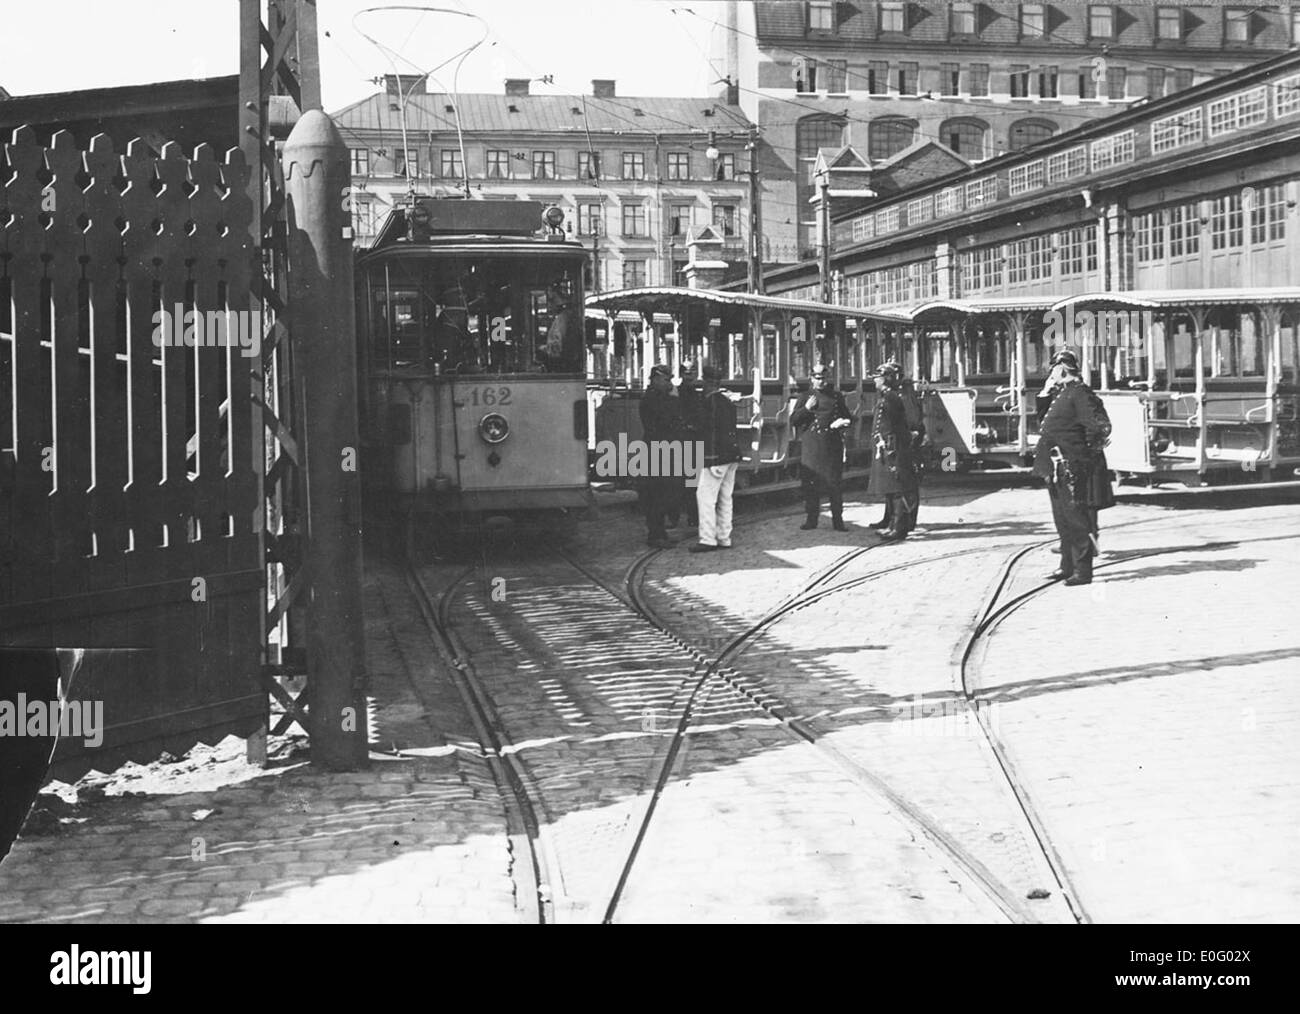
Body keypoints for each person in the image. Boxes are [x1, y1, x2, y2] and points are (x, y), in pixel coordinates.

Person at [1033, 349, 1114, 585]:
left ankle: (1083, 570)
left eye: (1054, 370)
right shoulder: (1062, 394)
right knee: (1063, 520)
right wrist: (1045, 392)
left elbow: (1098, 427)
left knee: (1077, 520)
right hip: (1054, 466)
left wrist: (1083, 457)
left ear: (1062, 370)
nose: (1050, 373)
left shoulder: (1079, 393)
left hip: (1069, 466)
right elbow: (1044, 422)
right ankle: (1066, 566)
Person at [790, 364, 852, 531]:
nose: (821, 381)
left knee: (835, 485)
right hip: (812, 446)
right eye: (817, 378)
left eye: (823, 378)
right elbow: (794, 420)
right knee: (811, 485)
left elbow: (848, 417)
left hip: (832, 446)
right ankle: (812, 520)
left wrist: (843, 422)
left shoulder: (836, 396)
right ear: (812, 379)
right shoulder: (805, 397)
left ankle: (838, 521)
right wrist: (806, 409)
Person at [868, 361, 924, 542]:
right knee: (891, 488)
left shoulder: (891, 398)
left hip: (894, 448)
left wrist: (891, 449)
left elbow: (895, 427)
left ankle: (899, 528)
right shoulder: (886, 396)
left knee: (898, 488)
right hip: (888, 447)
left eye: (877, 377)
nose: (875, 380)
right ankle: (892, 524)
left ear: (885, 379)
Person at [689, 363, 741, 553]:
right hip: (731, 456)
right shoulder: (726, 402)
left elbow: (704, 431)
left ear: (707, 383)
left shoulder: (707, 404)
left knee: (705, 497)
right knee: (726, 497)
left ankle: (707, 539)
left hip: (715, 458)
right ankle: (724, 537)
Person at [639, 364, 686, 549]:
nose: (670, 384)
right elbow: (667, 419)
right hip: (656, 451)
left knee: (665, 493)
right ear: (656, 379)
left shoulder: (659, 397)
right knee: (657, 494)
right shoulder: (651, 399)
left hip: (663, 450)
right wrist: (674, 400)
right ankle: (655, 535)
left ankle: (660, 533)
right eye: (667, 380)